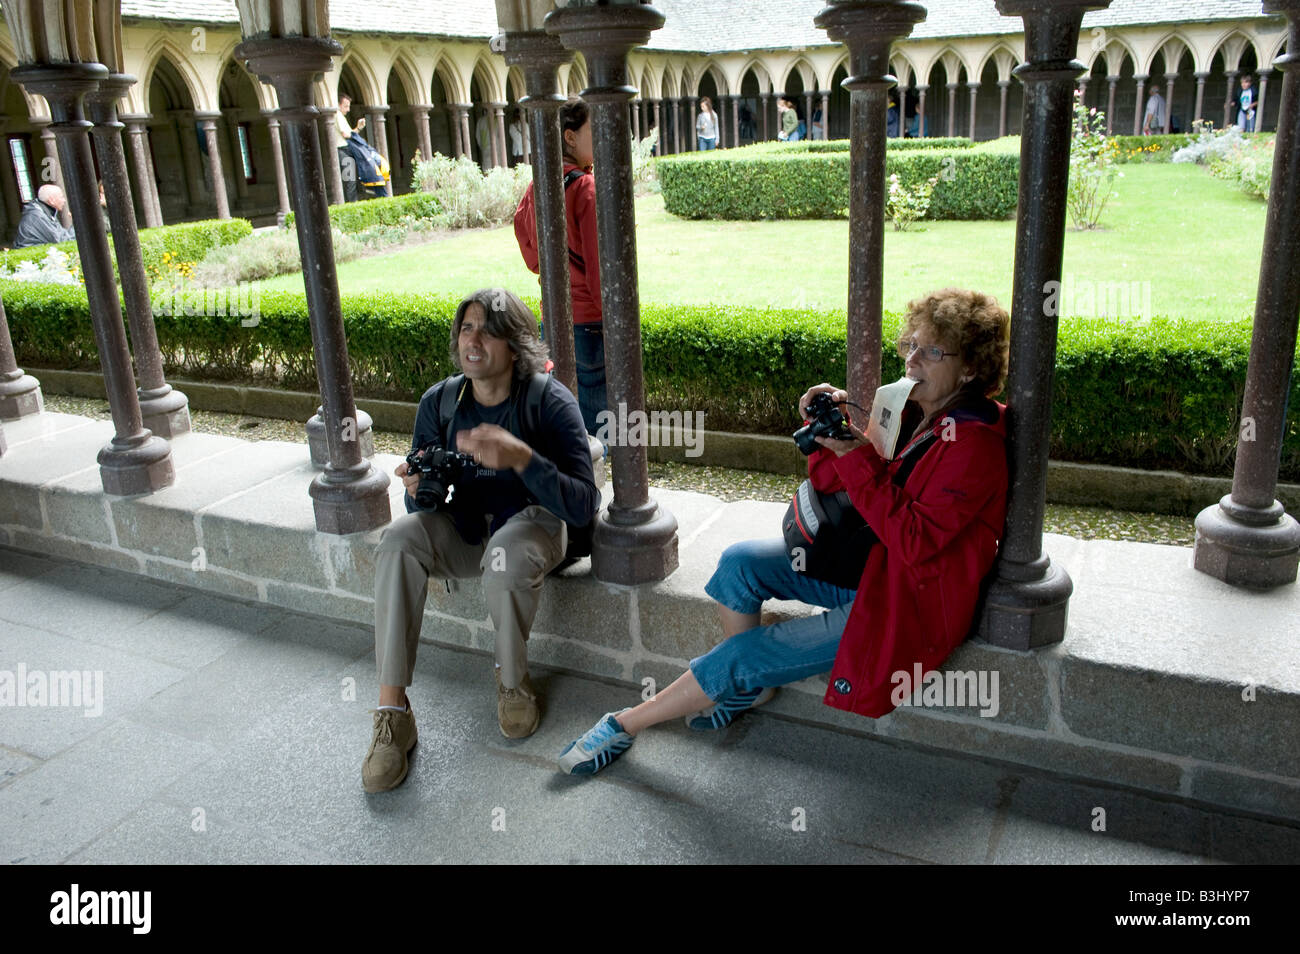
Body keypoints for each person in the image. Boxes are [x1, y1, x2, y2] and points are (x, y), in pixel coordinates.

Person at [557, 288, 1011, 776]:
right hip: (872, 564)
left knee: (739, 654)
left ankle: (626, 723)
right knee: (739, 564)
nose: (913, 360)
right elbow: (842, 486)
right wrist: (830, 436)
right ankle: (755, 684)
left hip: (906, 601)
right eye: (911, 345)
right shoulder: (918, 411)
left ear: (970, 369)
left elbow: (916, 543)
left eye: (932, 352)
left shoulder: (972, 445)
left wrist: (857, 459)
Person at [362, 288, 599, 793]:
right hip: (466, 532)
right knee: (400, 539)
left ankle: (513, 682)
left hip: (532, 529)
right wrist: (415, 491)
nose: (474, 340)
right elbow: (421, 504)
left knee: (506, 554)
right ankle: (392, 711)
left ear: (514, 346)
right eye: (466, 328)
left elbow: (583, 506)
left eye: (489, 330)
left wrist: (521, 458)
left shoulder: (549, 402)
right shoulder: (441, 402)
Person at [513, 98, 606, 436]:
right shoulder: (586, 189)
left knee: (562, 421)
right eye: (592, 130)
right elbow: (600, 274)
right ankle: (591, 488)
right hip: (590, 326)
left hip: (551, 322)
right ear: (569, 137)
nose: (601, 137)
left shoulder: (538, 186)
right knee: (596, 427)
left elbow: (532, 257)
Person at [13, 184, 75, 248]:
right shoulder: (37, 216)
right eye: (61, 197)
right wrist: (76, 223)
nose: (64, 200)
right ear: (51, 200)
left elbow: (62, 234)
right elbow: (62, 241)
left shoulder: (46, 211)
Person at [336, 93, 367, 202]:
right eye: (346, 106)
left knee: (351, 181)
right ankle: (351, 205)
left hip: (345, 151)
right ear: (338, 105)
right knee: (350, 181)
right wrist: (358, 128)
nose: (348, 110)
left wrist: (358, 129)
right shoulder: (337, 114)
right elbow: (346, 134)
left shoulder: (339, 116)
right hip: (343, 151)